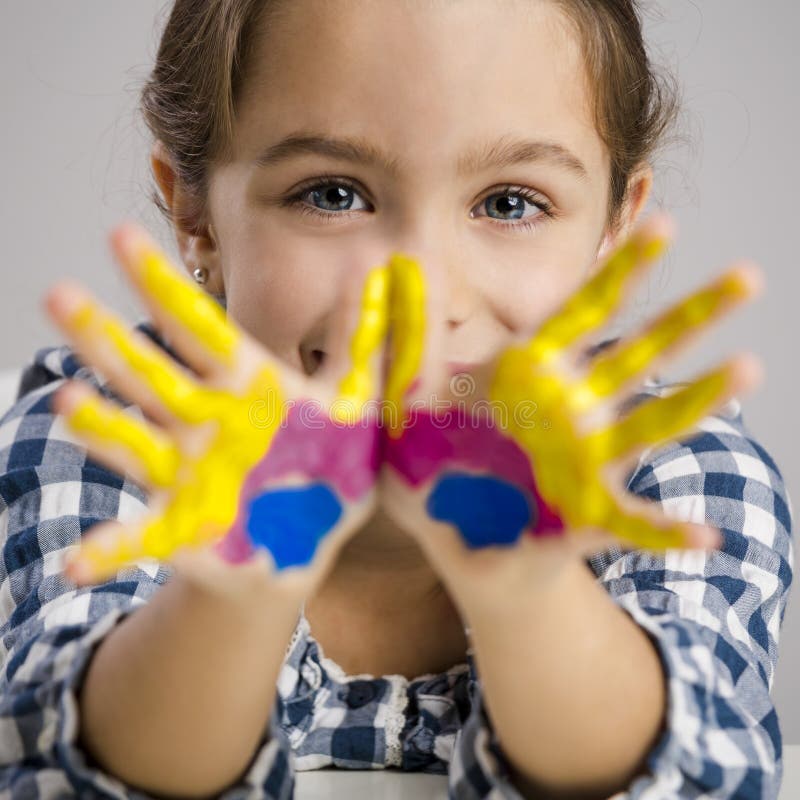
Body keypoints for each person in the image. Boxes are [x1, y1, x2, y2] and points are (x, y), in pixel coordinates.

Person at [0, 1, 793, 798]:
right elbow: (74, 769)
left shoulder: (670, 469)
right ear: (196, 215)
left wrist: (529, 589)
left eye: (510, 203)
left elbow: (705, 776)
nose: (421, 291)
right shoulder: (109, 436)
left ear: (611, 232)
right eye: (333, 194)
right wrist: (236, 586)